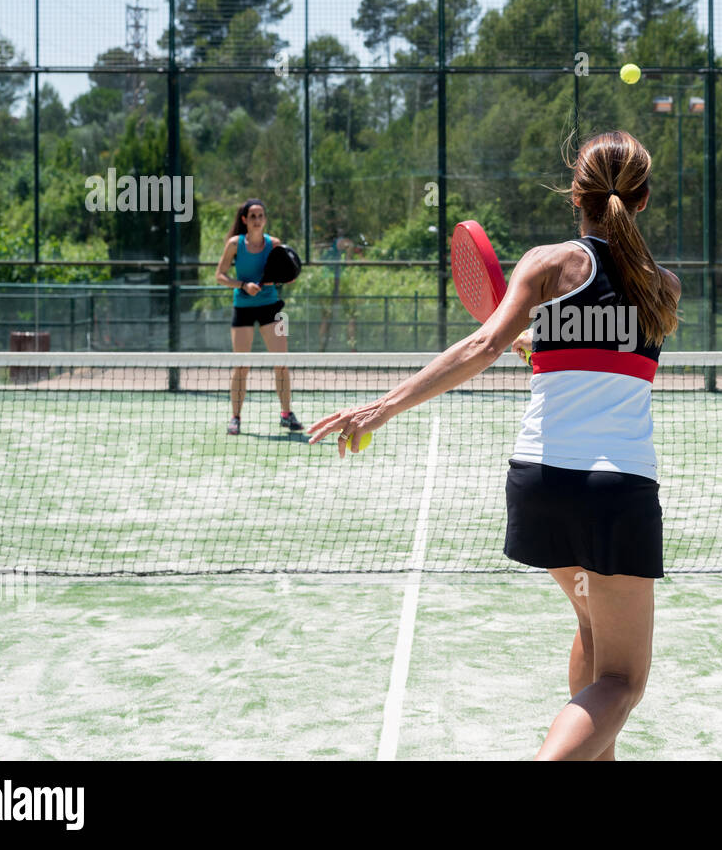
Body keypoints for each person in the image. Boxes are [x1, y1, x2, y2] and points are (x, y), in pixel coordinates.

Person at [310, 131, 680, 760]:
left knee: (592, 626)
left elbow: (482, 348)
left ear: (575, 195)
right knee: (623, 681)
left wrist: (382, 408)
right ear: (642, 201)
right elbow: (615, 353)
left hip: (539, 484)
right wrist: (542, 346)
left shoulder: (544, 266)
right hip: (615, 494)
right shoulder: (663, 289)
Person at [214, 198, 302, 436]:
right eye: (252, 216)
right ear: (245, 220)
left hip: (272, 307)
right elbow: (220, 275)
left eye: (260, 216)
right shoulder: (235, 244)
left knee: (282, 362)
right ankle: (235, 417)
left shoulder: (274, 244)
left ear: (265, 219)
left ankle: (286, 414)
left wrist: (273, 281)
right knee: (241, 365)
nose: (256, 220)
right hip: (242, 306)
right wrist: (243, 285)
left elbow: (285, 273)